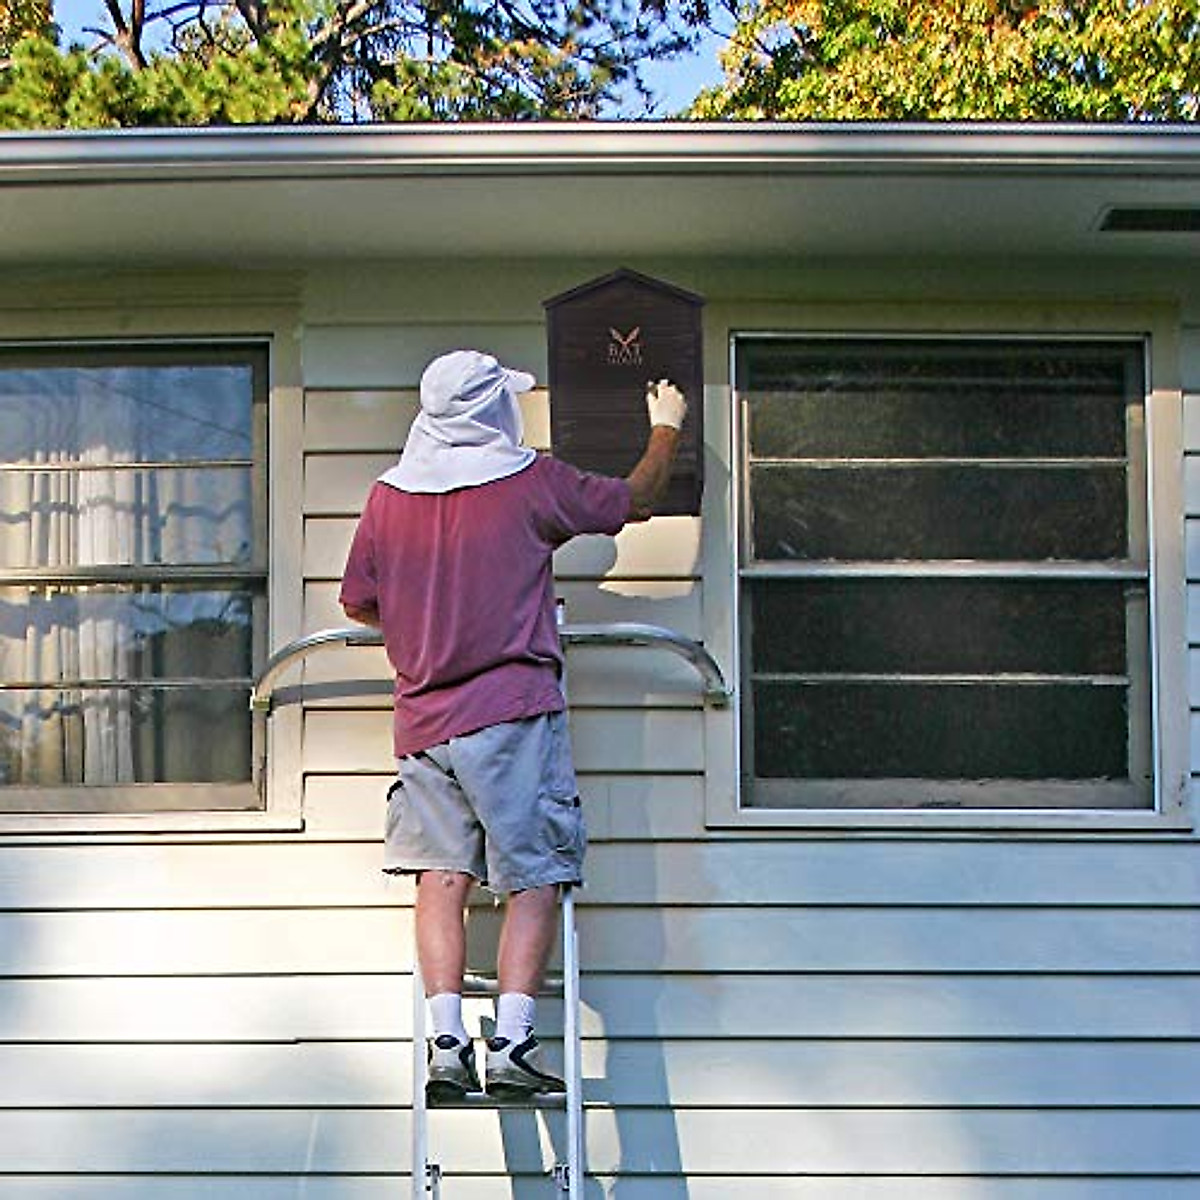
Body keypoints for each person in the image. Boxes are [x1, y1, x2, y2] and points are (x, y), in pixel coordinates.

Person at [339, 348, 686, 1100]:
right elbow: (636, 500)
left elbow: (361, 600)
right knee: (533, 875)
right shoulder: (528, 480)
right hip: (510, 711)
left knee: (441, 876)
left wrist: (429, 617)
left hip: (424, 718)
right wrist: (666, 428)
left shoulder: (388, 497)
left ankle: (445, 1041)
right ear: (491, 408)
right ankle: (513, 1043)